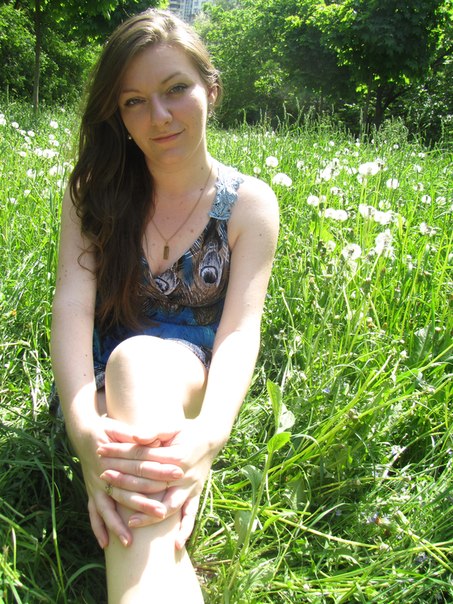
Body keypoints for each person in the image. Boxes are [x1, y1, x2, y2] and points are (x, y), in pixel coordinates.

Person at [50, 8, 279, 604]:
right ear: (117, 114)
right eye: (134, 101)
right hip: (95, 381)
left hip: (185, 372)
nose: (159, 116)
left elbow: (240, 331)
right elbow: (72, 307)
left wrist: (209, 438)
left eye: (176, 89)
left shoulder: (249, 205)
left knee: (136, 362)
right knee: (125, 383)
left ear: (211, 89)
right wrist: (84, 433)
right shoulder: (93, 194)